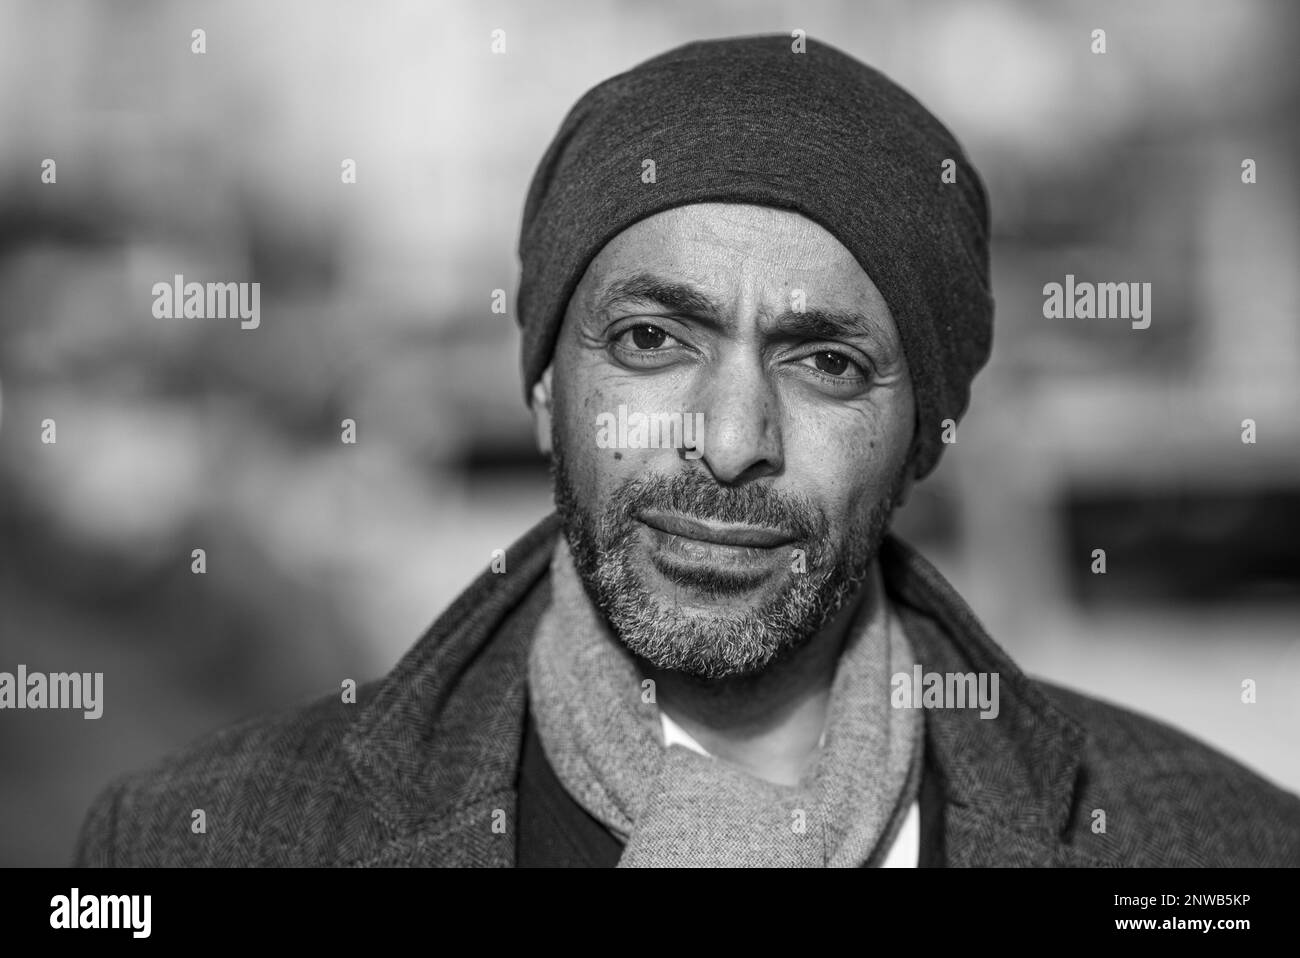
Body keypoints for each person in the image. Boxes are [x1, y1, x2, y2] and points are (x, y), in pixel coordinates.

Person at [75, 34, 1300, 868]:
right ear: (548, 389)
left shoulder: (1209, 852)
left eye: (824, 362)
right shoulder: (198, 839)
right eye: (655, 338)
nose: (727, 443)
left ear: (926, 437)